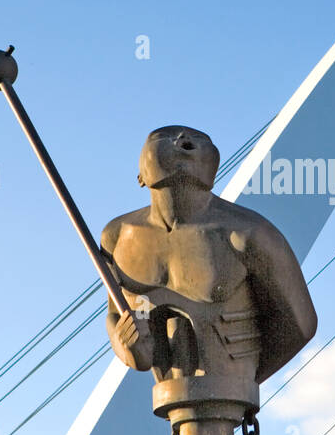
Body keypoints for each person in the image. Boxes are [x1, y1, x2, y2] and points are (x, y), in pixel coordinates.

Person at [101, 126, 316, 385]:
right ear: (140, 176)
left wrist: (242, 383)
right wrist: (127, 346)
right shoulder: (117, 237)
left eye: (200, 139)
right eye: (163, 136)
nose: (183, 141)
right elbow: (116, 312)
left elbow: (300, 325)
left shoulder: (247, 234)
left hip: (228, 394)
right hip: (168, 396)